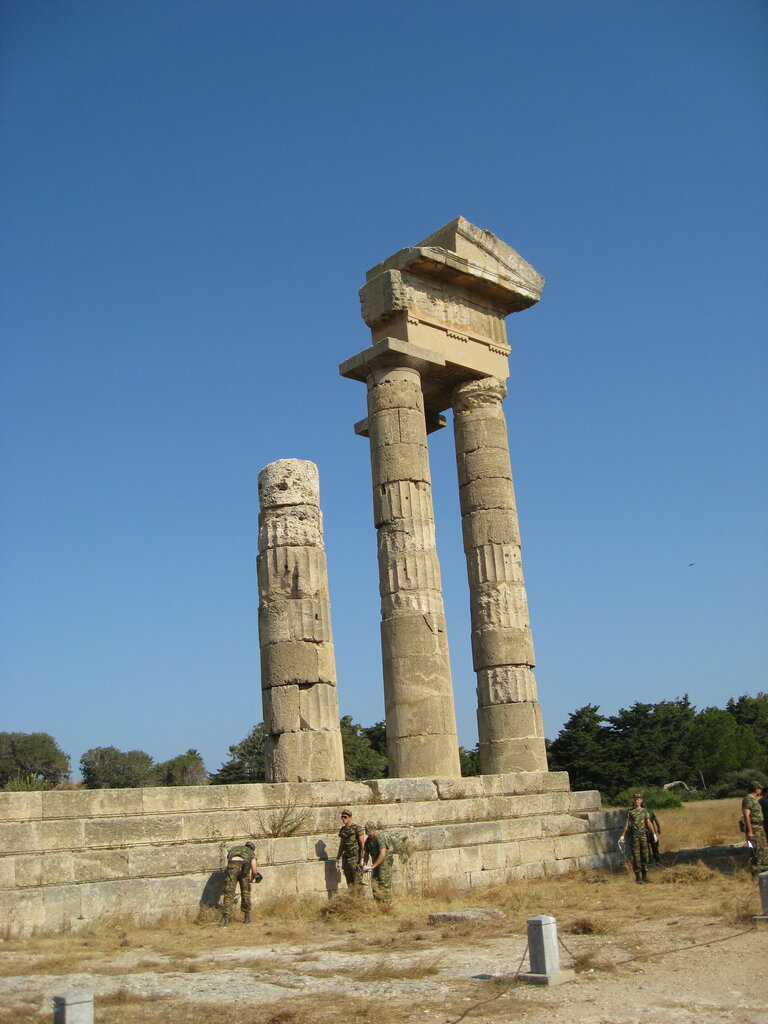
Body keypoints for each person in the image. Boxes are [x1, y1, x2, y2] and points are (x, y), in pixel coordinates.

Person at [220, 840, 261, 926]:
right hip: (245, 867)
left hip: (232, 866)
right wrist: (252, 879)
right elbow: (254, 870)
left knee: (229, 892)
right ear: (252, 849)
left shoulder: (234, 849)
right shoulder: (251, 853)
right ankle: (247, 917)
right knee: (246, 892)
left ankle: (225, 918)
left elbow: (229, 859)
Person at [619, 792, 654, 883]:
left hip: (643, 837)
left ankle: (645, 876)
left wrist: (653, 833)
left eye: (638, 799)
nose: (636, 801)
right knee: (636, 857)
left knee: (645, 856)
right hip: (635, 837)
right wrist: (622, 835)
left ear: (641, 800)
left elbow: (648, 823)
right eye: (635, 799)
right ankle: (638, 878)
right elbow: (626, 824)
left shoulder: (644, 811)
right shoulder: (630, 812)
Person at [742, 781, 768, 878]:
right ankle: (756, 875)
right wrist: (750, 831)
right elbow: (746, 815)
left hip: (760, 828)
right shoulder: (748, 799)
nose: (761, 791)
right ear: (756, 789)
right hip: (754, 829)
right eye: (760, 789)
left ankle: (765, 874)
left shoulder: (754, 800)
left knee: (764, 851)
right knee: (755, 852)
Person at [362, 821, 392, 903]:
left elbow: (383, 854)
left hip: (384, 862)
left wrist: (373, 866)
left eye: (371, 834)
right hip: (375, 862)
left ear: (374, 830)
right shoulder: (368, 840)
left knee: (383, 882)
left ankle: (386, 904)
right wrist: (364, 865)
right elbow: (366, 853)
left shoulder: (380, 838)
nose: (370, 836)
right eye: (368, 834)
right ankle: (378, 903)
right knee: (374, 881)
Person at [336, 809, 365, 890]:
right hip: (346, 859)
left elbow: (362, 844)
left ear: (350, 817)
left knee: (358, 882)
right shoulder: (343, 830)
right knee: (350, 883)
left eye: (345, 817)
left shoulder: (357, 828)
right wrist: (337, 858)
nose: (343, 819)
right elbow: (341, 845)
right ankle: (352, 897)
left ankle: (359, 897)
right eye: (342, 817)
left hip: (355, 858)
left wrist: (362, 858)